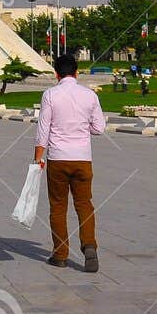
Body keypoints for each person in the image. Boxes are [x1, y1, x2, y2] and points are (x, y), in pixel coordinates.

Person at [35, 53, 107, 271]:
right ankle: (89, 245)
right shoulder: (90, 95)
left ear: (56, 74)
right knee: (84, 204)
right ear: (77, 72)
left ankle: (60, 254)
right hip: (83, 159)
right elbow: (99, 128)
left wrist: (37, 158)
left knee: (58, 207)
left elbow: (43, 129)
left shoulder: (50, 94)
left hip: (57, 158)